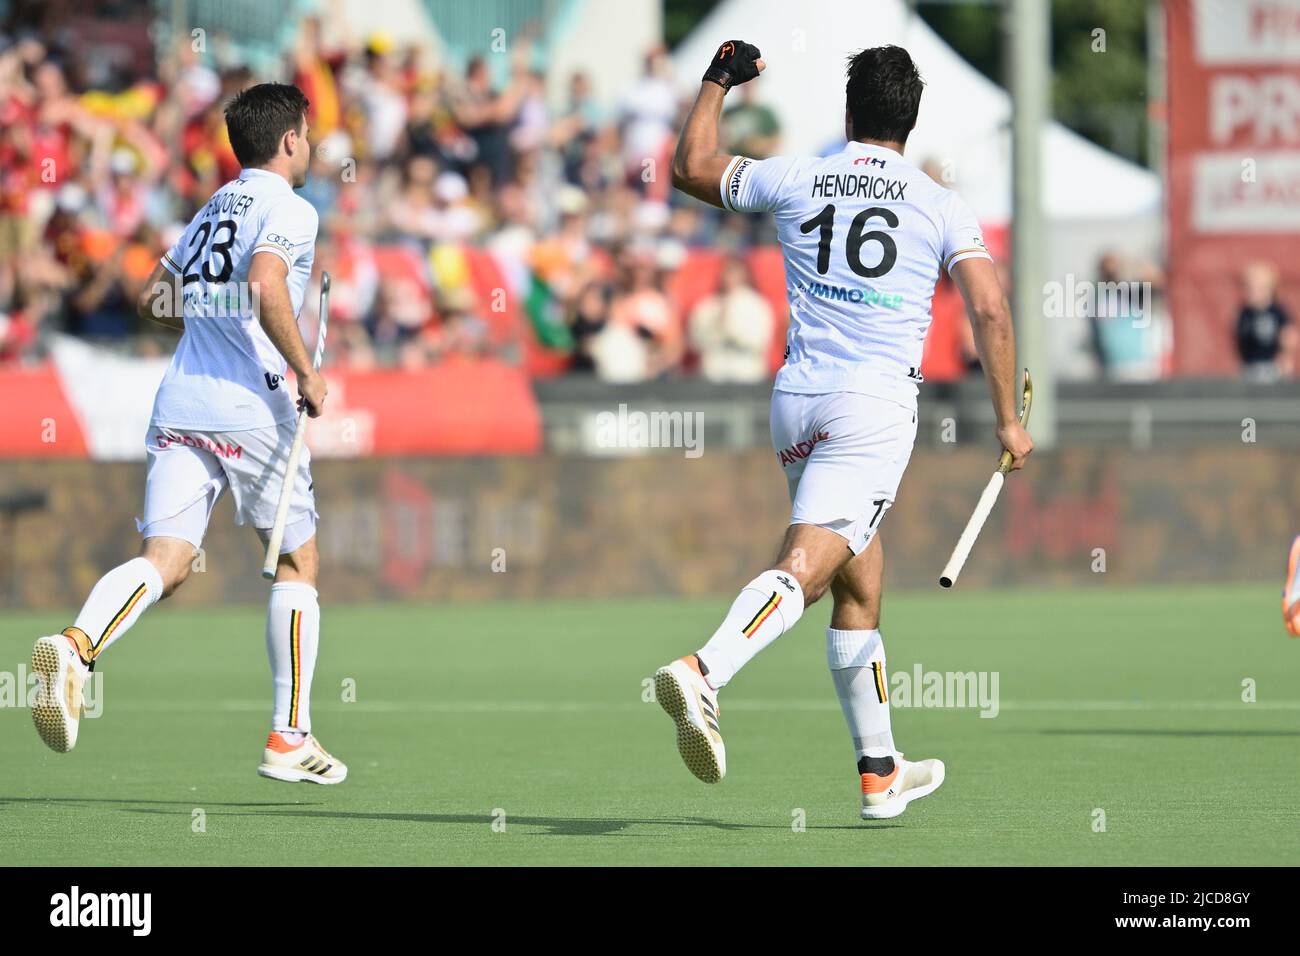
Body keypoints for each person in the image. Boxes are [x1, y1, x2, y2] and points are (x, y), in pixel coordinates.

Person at [658, 42, 1033, 819]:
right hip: (872, 410)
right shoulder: (939, 202)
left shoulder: (797, 173)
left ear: (850, 113)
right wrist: (1009, 419)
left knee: (861, 582)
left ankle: (880, 771)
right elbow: (991, 310)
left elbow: (691, 168)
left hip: (796, 402)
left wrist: (718, 81)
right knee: (810, 566)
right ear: (912, 120)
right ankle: (706, 671)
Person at [29, 82, 347, 785]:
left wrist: (212, 309)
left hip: (179, 398)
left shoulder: (212, 207)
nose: (313, 144)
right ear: (290, 140)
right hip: (250, 407)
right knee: (297, 566)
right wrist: (307, 373)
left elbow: (152, 299)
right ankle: (290, 739)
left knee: (166, 561)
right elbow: (267, 288)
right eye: (309, 132)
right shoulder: (292, 208)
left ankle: (76, 645)